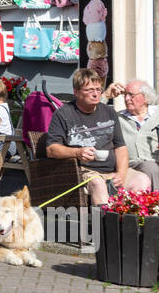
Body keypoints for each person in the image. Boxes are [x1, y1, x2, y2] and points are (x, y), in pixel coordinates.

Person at [45, 68, 150, 206]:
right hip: (85, 172)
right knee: (98, 183)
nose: (95, 94)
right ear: (76, 92)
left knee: (142, 180)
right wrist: (77, 152)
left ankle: (130, 223)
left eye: (98, 89)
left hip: (112, 171)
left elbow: (120, 147)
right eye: (89, 90)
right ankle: (104, 224)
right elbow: (51, 149)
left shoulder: (109, 112)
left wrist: (121, 173)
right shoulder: (63, 114)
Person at [103, 78, 159, 191]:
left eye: (131, 95)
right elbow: (93, 116)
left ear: (145, 98)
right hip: (135, 166)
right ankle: (158, 205)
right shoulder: (118, 118)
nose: (126, 99)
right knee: (150, 166)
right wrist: (106, 96)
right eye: (125, 95)